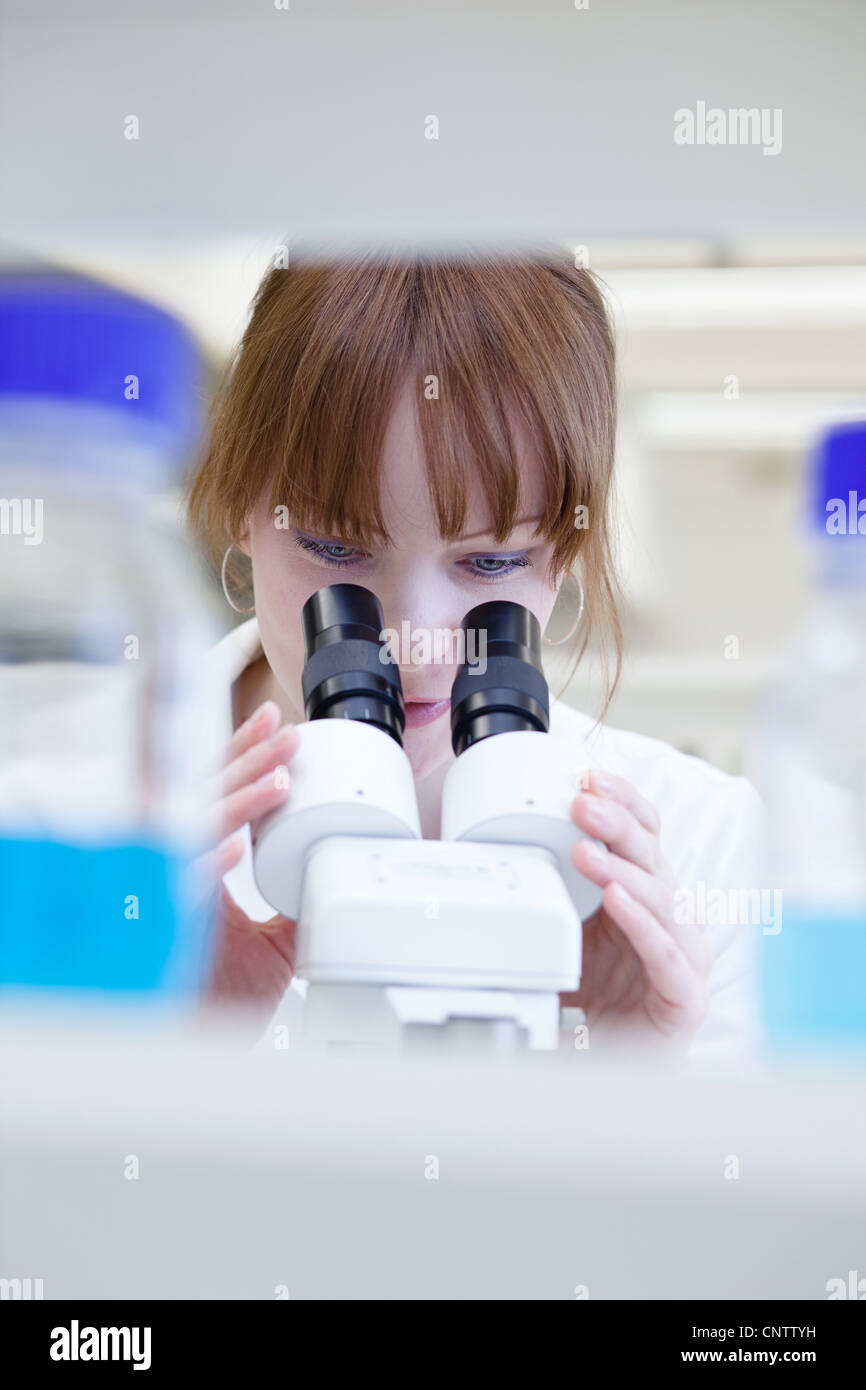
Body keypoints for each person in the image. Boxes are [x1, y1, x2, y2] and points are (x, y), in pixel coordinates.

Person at [185, 247, 767, 1071]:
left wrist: (615, 1079)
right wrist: (162, 1054)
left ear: (566, 550)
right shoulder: (81, 803)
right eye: (333, 547)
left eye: (490, 564)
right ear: (243, 507)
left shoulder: (705, 843)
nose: (415, 637)